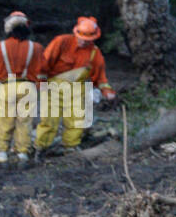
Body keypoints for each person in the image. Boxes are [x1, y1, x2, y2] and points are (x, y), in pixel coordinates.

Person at [34, 15, 116, 155]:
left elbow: (100, 78)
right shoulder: (61, 42)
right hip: (54, 86)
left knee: (77, 121)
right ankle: (40, 148)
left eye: (88, 40)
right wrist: (40, 83)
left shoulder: (94, 54)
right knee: (49, 120)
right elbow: (44, 63)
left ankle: (70, 149)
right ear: (76, 32)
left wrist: (107, 91)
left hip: (77, 90)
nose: (84, 42)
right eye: (82, 38)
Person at [0, 10, 42, 166]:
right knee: (25, 122)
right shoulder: (36, 48)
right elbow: (43, 69)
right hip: (28, 87)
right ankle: (23, 155)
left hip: (7, 87)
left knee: (4, 121)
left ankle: (1, 156)